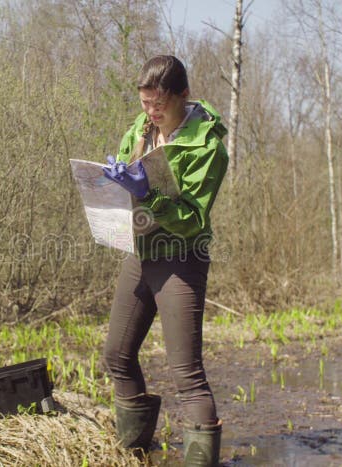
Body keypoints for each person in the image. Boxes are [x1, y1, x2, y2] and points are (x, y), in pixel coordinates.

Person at [101, 55, 228, 467]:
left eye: (160, 105)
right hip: (142, 252)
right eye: (145, 104)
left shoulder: (207, 144)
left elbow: (193, 218)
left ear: (183, 96)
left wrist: (150, 194)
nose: (152, 114)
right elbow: (125, 185)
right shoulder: (139, 129)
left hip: (182, 257)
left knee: (186, 376)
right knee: (117, 355)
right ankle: (135, 453)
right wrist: (113, 185)